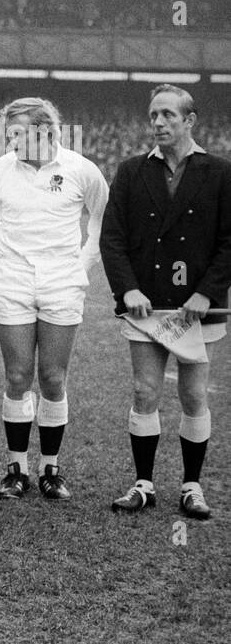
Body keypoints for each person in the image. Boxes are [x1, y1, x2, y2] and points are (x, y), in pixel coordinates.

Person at [101, 84, 231, 520]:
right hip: (146, 309)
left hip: (198, 310)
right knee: (145, 390)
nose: (157, 123)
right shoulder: (131, 171)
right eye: (153, 115)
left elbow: (229, 243)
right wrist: (128, 290)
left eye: (167, 116)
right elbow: (112, 239)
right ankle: (144, 484)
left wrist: (205, 293)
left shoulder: (219, 172)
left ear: (189, 120)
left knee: (194, 395)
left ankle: (191, 486)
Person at [0, 97, 108, 499]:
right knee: (18, 376)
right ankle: (16, 468)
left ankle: (50, 469)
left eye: (19, 133)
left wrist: (80, 266)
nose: (12, 141)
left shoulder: (81, 170)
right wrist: (11, 257)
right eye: (10, 133)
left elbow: (101, 219)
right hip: (14, 282)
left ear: (47, 132)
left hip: (62, 283)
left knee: (53, 378)